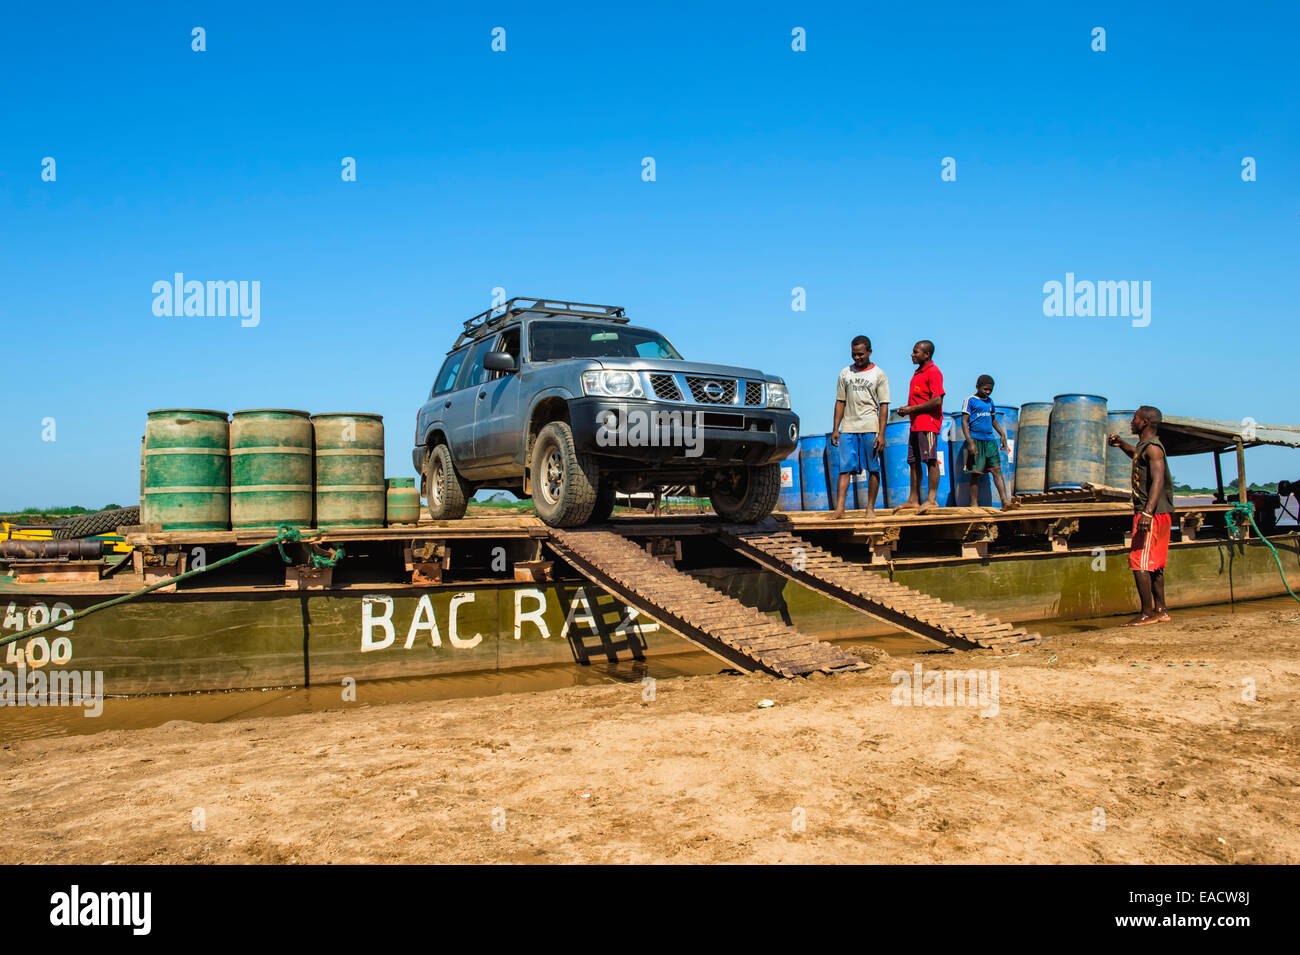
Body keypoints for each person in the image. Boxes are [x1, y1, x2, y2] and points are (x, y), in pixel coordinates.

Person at [1108, 405, 1175, 625]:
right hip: (1157, 513)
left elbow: (1158, 480)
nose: (1131, 421)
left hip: (1151, 513)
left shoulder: (1154, 448)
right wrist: (1121, 445)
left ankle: (1147, 613)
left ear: (1145, 422)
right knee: (1153, 564)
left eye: (1135, 418)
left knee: (1139, 563)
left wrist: (1147, 512)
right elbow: (1137, 456)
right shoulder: (1144, 446)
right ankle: (1161, 610)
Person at [830, 335, 889, 519]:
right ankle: (840, 509)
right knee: (844, 469)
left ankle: (870, 508)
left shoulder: (879, 374)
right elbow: (840, 401)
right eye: (854, 354)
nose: (857, 358)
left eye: (861, 354)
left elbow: (884, 405)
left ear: (869, 352)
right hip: (848, 427)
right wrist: (836, 428)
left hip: (870, 426)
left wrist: (881, 434)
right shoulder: (845, 373)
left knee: (873, 468)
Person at [894, 340, 943, 512]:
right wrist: (907, 410)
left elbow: (937, 400)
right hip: (915, 424)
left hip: (928, 424)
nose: (912, 355)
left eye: (916, 352)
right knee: (913, 461)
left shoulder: (933, 372)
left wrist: (911, 409)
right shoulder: (918, 373)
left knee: (930, 460)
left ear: (927, 354)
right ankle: (913, 499)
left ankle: (931, 499)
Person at [961, 375, 1020, 511]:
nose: (987, 392)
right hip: (976, 440)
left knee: (997, 471)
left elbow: (993, 419)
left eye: (990, 390)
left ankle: (1005, 502)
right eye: (985, 389)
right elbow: (964, 421)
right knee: (976, 473)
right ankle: (974, 504)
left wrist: (1002, 434)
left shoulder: (990, 401)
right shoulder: (970, 400)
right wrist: (970, 442)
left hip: (990, 441)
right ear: (977, 387)